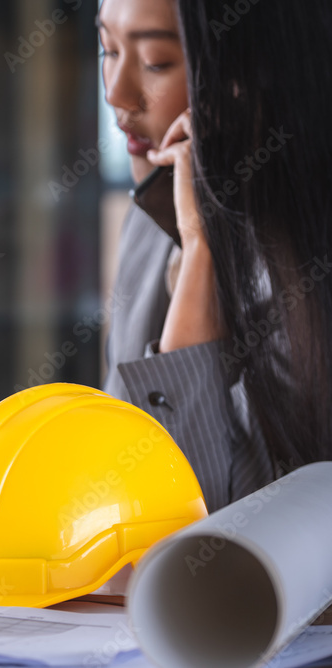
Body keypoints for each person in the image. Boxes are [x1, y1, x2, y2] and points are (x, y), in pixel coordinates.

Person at [99, 0, 332, 511]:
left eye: (156, 61)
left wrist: (201, 250)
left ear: (250, 79)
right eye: (108, 50)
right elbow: (117, 470)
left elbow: (201, 523)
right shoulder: (150, 220)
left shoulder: (298, 274)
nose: (115, 92)